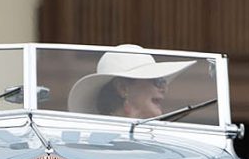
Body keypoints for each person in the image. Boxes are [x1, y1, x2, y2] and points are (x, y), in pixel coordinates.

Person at [66, 44, 198, 119]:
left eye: (162, 81)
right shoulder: (102, 140)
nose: (164, 89)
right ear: (123, 88)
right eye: (157, 80)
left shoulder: (159, 138)